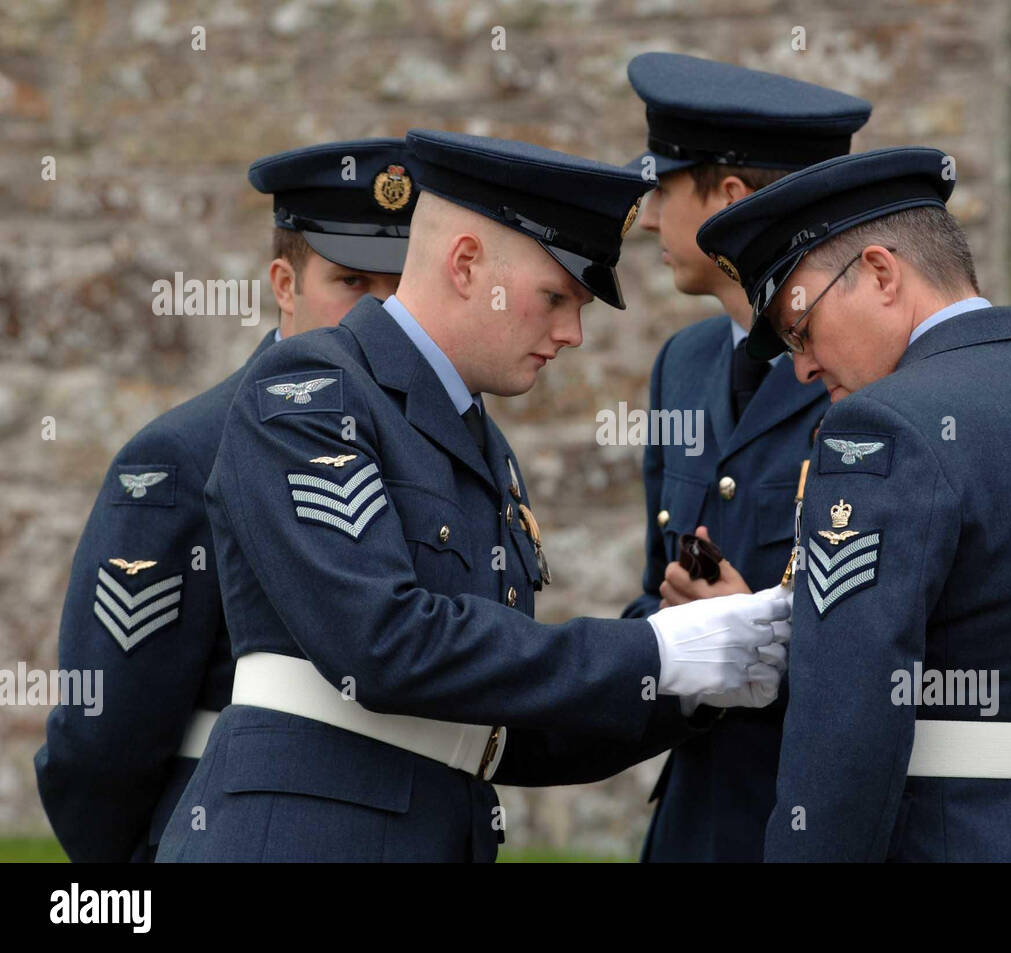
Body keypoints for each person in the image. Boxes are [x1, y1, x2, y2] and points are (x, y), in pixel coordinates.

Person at [156, 130, 791, 863]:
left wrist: (701, 679)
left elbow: (510, 715)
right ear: (465, 265)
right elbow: (383, 641)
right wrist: (655, 648)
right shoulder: (307, 393)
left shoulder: (482, 444)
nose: (574, 333)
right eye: (556, 296)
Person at [696, 146, 1011, 862]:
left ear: (879, 272)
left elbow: (847, 722)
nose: (803, 365)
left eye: (801, 328)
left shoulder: (879, 428)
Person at [34, 138, 413, 862]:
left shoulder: (432, 449)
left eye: (401, 290)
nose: (379, 316)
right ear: (284, 283)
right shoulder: (185, 452)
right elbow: (104, 731)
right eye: (353, 283)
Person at [621, 52, 871, 862]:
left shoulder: (871, 372)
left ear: (728, 199)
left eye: (662, 189)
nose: (648, 218)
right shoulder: (683, 365)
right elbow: (654, 584)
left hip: (808, 816)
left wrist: (756, 633)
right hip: (695, 818)